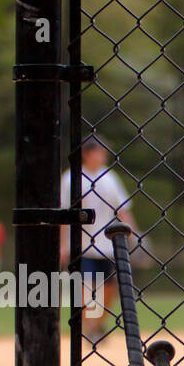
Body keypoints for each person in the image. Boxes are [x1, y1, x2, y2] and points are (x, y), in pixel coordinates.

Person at [60, 136, 139, 342]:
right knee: (86, 286)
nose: (103, 156)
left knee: (110, 287)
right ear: (86, 154)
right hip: (81, 245)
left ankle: (98, 325)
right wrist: (63, 244)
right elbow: (63, 214)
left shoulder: (109, 177)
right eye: (99, 152)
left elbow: (123, 209)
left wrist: (134, 235)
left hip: (108, 245)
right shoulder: (71, 179)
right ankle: (89, 327)